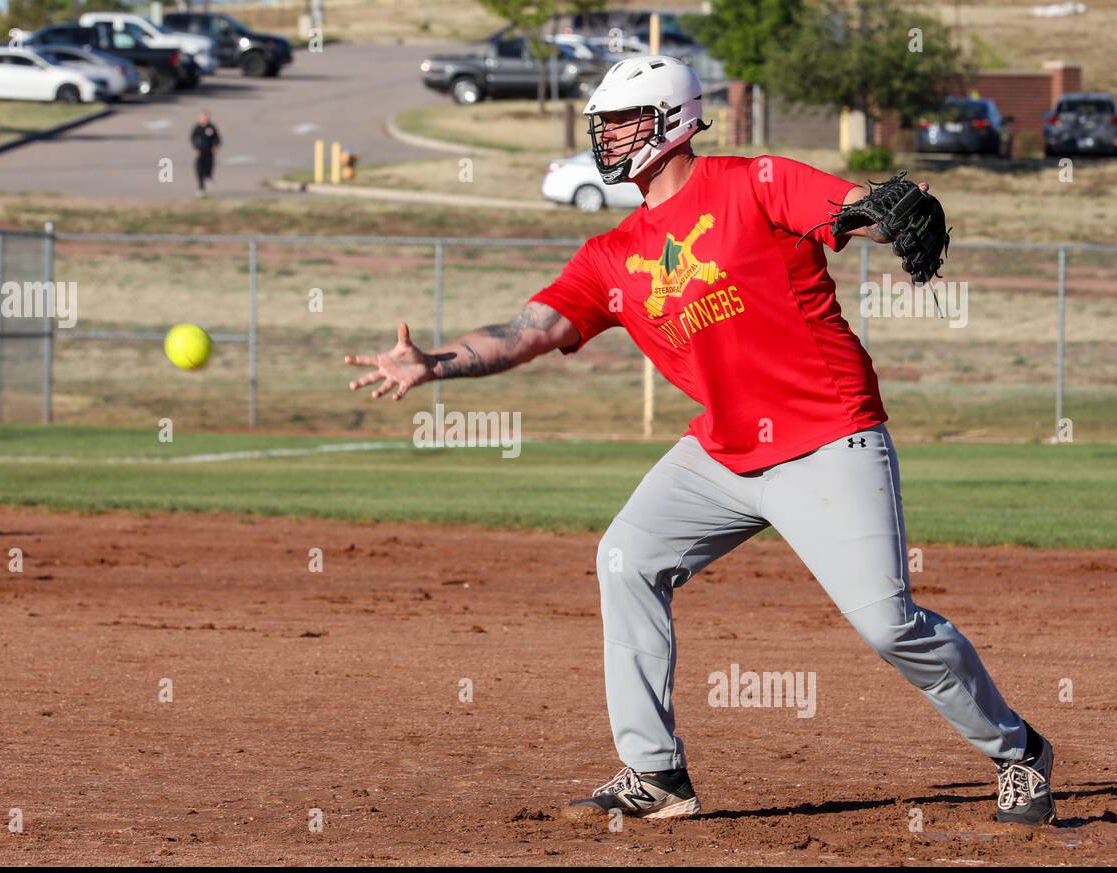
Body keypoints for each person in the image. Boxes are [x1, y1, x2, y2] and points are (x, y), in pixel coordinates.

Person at [342, 56, 1055, 827]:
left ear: (672, 121)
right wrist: (435, 363)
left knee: (889, 625)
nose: (607, 136)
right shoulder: (609, 255)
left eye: (622, 120)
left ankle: (1017, 751)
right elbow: (529, 330)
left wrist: (899, 214)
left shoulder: (755, 183)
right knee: (626, 558)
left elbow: (858, 208)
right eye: (603, 124)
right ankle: (656, 773)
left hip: (829, 436)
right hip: (721, 451)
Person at [191, 110, 221, 197]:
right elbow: (193, 139)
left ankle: (208, 177)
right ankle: (201, 188)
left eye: (205, 117)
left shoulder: (211, 127)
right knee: (199, 169)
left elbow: (217, 139)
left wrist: (215, 147)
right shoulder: (197, 128)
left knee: (209, 167)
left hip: (209, 153)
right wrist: (196, 149)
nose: (204, 119)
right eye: (202, 117)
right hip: (200, 153)